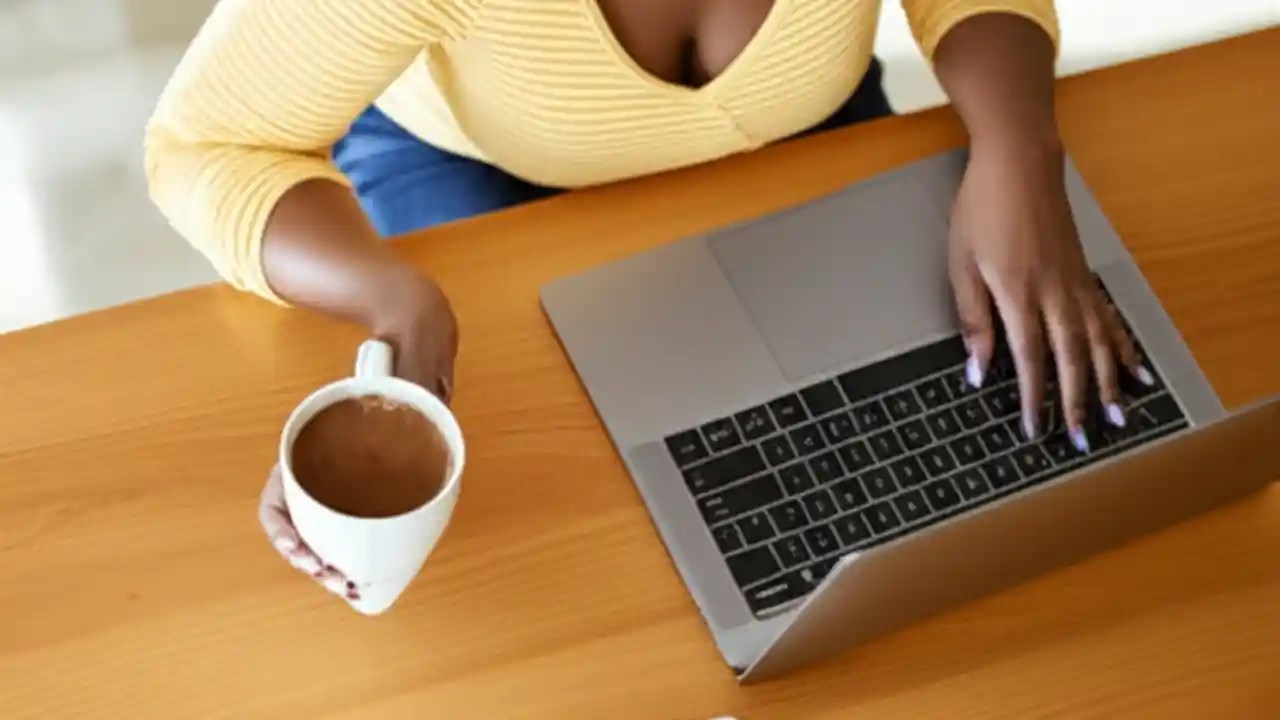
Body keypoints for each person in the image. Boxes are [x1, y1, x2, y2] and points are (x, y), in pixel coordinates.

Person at [147, 0, 1147, 601]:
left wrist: (1018, 145)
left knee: (907, 469)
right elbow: (208, 145)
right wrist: (393, 299)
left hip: (795, 123)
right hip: (481, 165)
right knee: (561, 540)